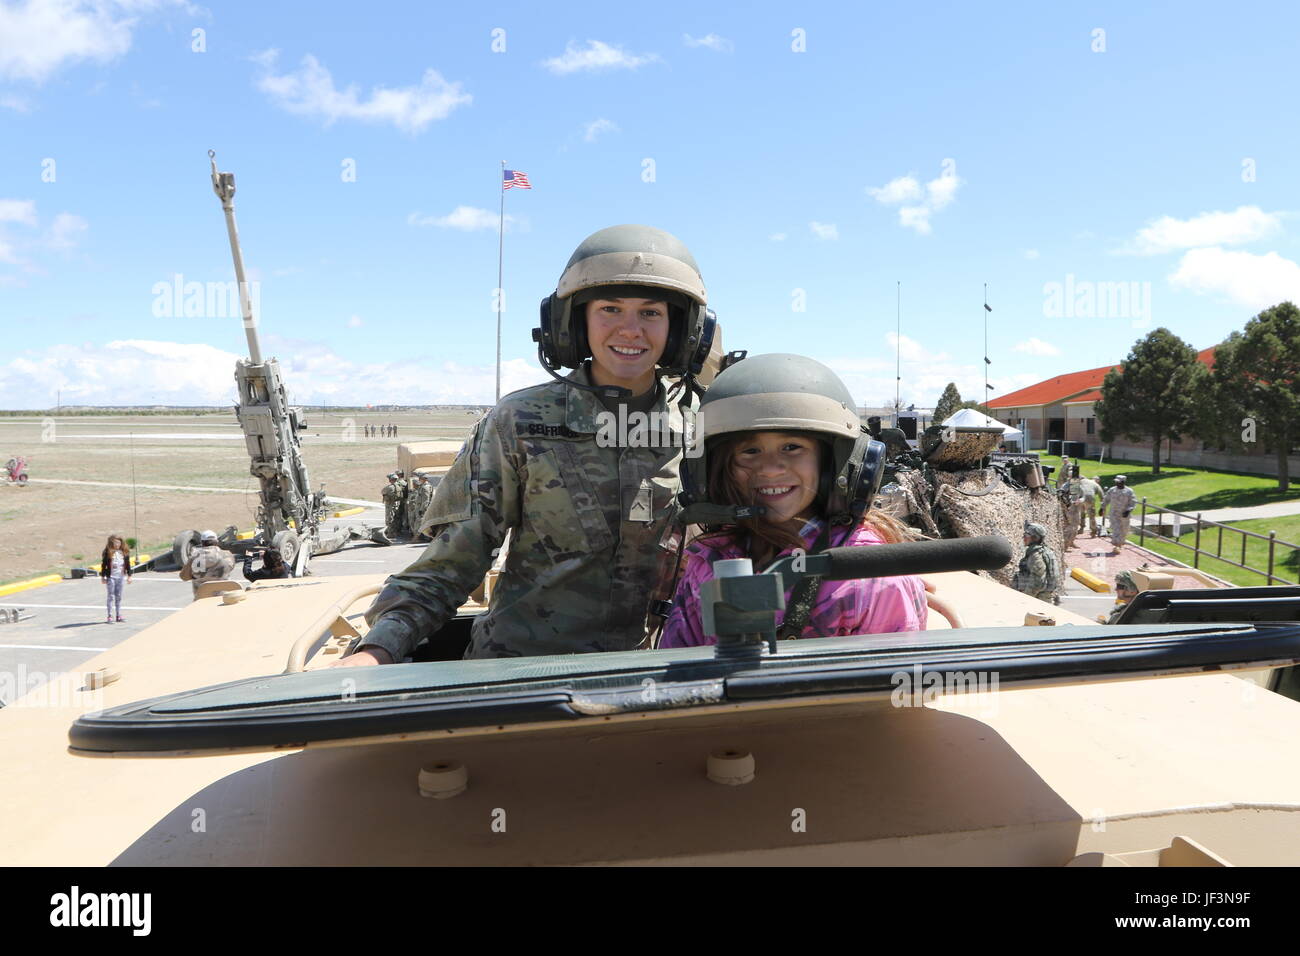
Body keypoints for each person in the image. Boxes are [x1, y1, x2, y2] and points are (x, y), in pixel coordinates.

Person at [338, 224, 715, 665]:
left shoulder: (700, 427)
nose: (630, 329)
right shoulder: (519, 422)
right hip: (519, 671)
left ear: (684, 330)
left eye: (651, 313)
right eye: (610, 309)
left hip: (649, 669)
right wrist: (377, 650)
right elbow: (450, 563)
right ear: (572, 324)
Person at [661, 355, 926, 647]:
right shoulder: (708, 562)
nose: (771, 468)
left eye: (792, 447)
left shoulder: (870, 577)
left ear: (832, 465)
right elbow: (678, 668)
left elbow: (893, 686)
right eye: (750, 451)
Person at [178, 530, 236, 600]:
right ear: (216, 542)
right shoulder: (227, 554)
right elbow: (230, 568)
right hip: (223, 598)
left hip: (202, 598)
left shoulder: (194, 557)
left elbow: (184, 577)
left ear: (202, 542)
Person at [1012, 521, 1060, 603]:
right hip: (1039, 598)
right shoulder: (1041, 551)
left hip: (1037, 599)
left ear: (1035, 538)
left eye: (1026, 535)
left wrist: (1026, 599)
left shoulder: (1036, 555)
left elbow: (1038, 581)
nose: (1024, 538)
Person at [99, 534, 132, 623]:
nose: (117, 544)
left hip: (120, 577)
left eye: (119, 542)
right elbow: (104, 565)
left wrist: (129, 576)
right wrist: (103, 577)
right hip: (111, 577)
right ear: (112, 543)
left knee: (119, 596)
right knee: (111, 596)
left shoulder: (124, 552)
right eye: (115, 543)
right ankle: (110, 616)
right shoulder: (108, 552)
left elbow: (128, 564)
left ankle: (118, 615)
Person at [1103, 475, 1138, 552]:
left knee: (1124, 530)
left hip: (1124, 515)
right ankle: (1117, 545)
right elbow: (1106, 499)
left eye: (1118, 482)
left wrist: (1128, 510)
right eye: (1116, 482)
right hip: (1114, 514)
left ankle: (1120, 544)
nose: (1117, 483)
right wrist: (1102, 507)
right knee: (1116, 529)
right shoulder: (1112, 490)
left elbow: (1133, 502)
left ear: (1123, 482)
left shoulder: (1129, 491)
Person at [381, 473, 404, 538]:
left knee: (390, 519)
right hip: (396, 504)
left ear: (391, 479)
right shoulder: (399, 486)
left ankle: (391, 533)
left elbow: (382, 491)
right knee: (395, 519)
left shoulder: (390, 487)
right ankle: (395, 532)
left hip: (390, 505)